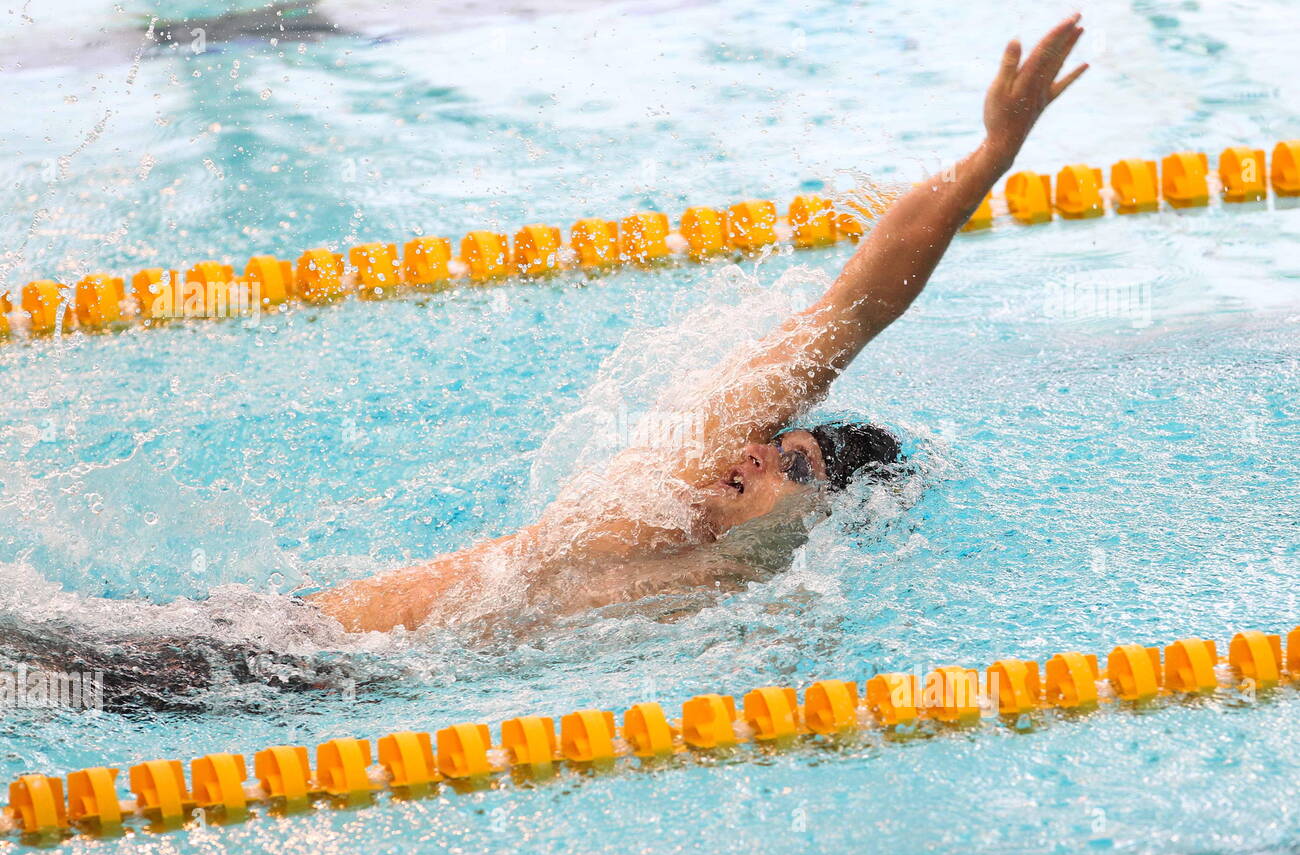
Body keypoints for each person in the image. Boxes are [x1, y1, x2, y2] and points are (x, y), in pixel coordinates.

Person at [310, 15, 1089, 634]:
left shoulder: (757, 595)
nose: (756, 452)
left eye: (794, 469)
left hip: (352, 693)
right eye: (786, 447)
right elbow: (857, 307)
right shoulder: (670, 490)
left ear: (831, 522)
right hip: (287, 646)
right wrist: (992, 155)